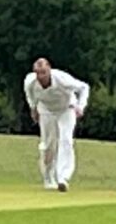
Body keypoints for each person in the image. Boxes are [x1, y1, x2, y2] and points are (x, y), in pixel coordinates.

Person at [23, 57, 90, 192]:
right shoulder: (30, 81)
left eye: (43, 72)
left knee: (66, 140)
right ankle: (48, 177)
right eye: (38, 73)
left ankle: (63, 178)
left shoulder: (62, 79)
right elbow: (30, 95)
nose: (41, 76)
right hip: (46, 110)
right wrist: (33, 108)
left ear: (49, 70)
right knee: (48, 145)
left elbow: (84, 87)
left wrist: (81, 106)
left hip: (66, 109)